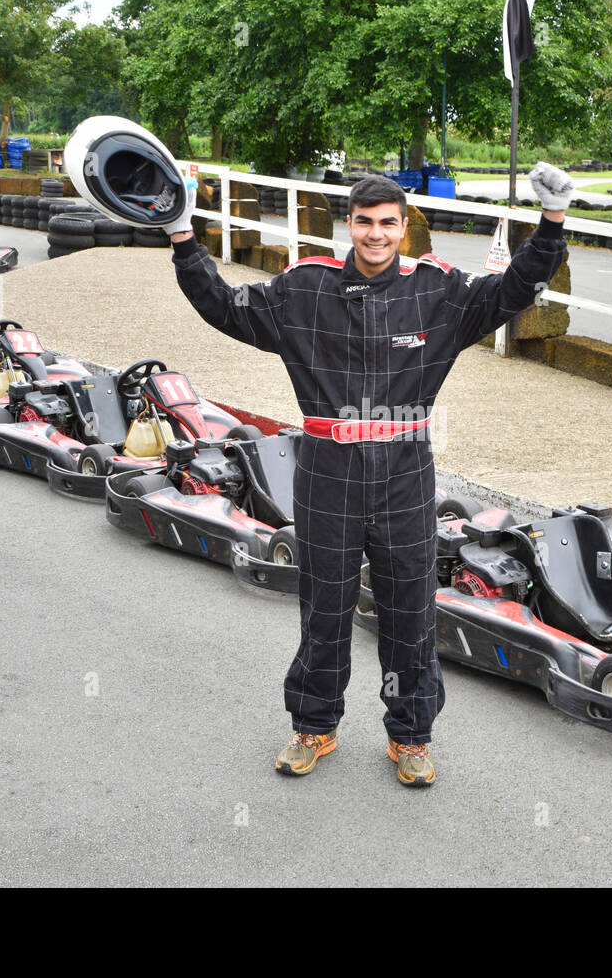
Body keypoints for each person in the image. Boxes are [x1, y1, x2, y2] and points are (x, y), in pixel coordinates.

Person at [168, 162, 574, 786]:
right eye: (364, 222)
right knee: (323, 609)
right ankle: (313, 726)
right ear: (348, 225)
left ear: (405, 228)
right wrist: (181, 236)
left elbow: (515, 289)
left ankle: (410, 737)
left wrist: (551, 223)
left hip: (406, 474)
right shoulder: (304, 289)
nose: (376, 235)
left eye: (388, 223)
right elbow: (223, 306)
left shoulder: (439, 292)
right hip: (327, 472)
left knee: (410, 610)